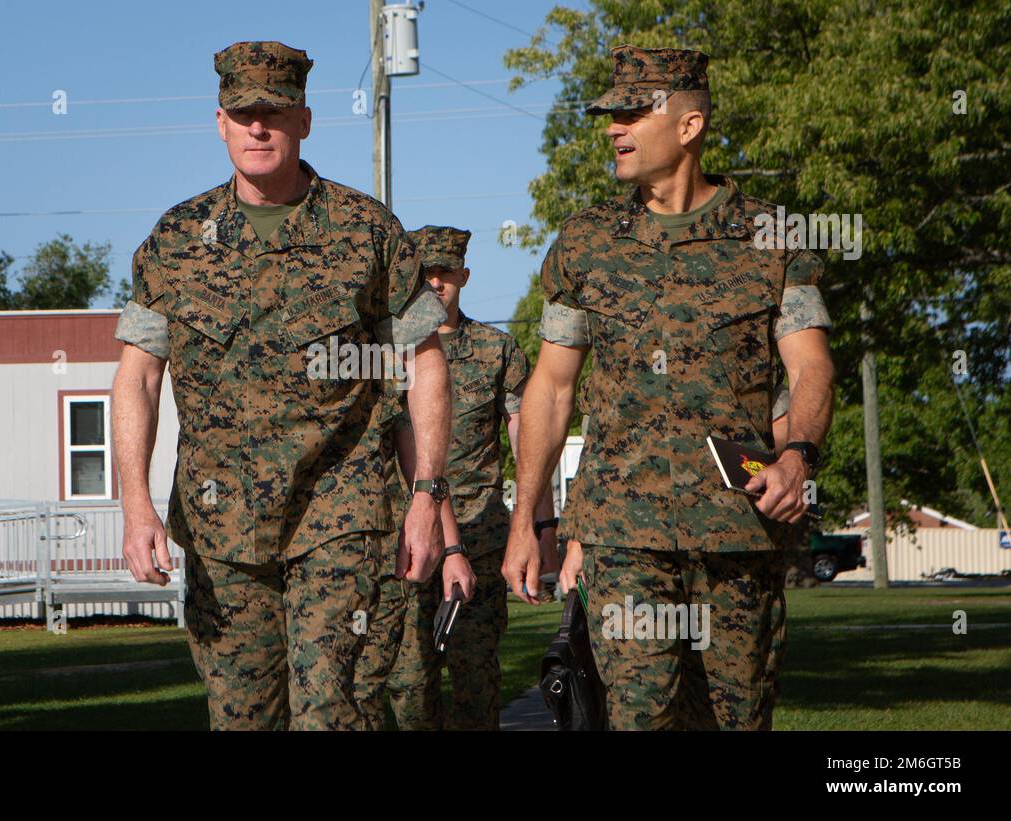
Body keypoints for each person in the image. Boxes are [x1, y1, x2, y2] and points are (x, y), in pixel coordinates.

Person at [110, 41, 456, 730]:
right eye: (242, 114)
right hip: (222, 529)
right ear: (219, 123)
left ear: (303, 119)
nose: (257, 128)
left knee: (331, 712)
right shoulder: (176, 241)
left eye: (272, 112)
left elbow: (426, 365)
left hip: (341, 518)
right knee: (243, 717)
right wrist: (135, 506)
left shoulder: (367, 231)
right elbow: (138, 378)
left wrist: (426, 498)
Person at [505, 45, 835, 731]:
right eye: (609, 114)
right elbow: (552, 388)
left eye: (631, 112)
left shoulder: (773, 236)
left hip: (739, 532)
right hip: (623, 535)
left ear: (688, 126)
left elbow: (809, 366)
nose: (613, 129)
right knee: (639, 718)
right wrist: (527, 519)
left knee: (736, 719)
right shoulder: (586, 242)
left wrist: (798, 453)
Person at [357, 226, 557, 731]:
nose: (437, 284)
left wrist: (543, 525)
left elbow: (525, 442)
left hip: (481, 537)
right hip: (412, 545)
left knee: (476, 685)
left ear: (464, 276)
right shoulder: (390, 356)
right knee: (408, 689)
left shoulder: (497, 351)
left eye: (446, 273)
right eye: (427, 274)